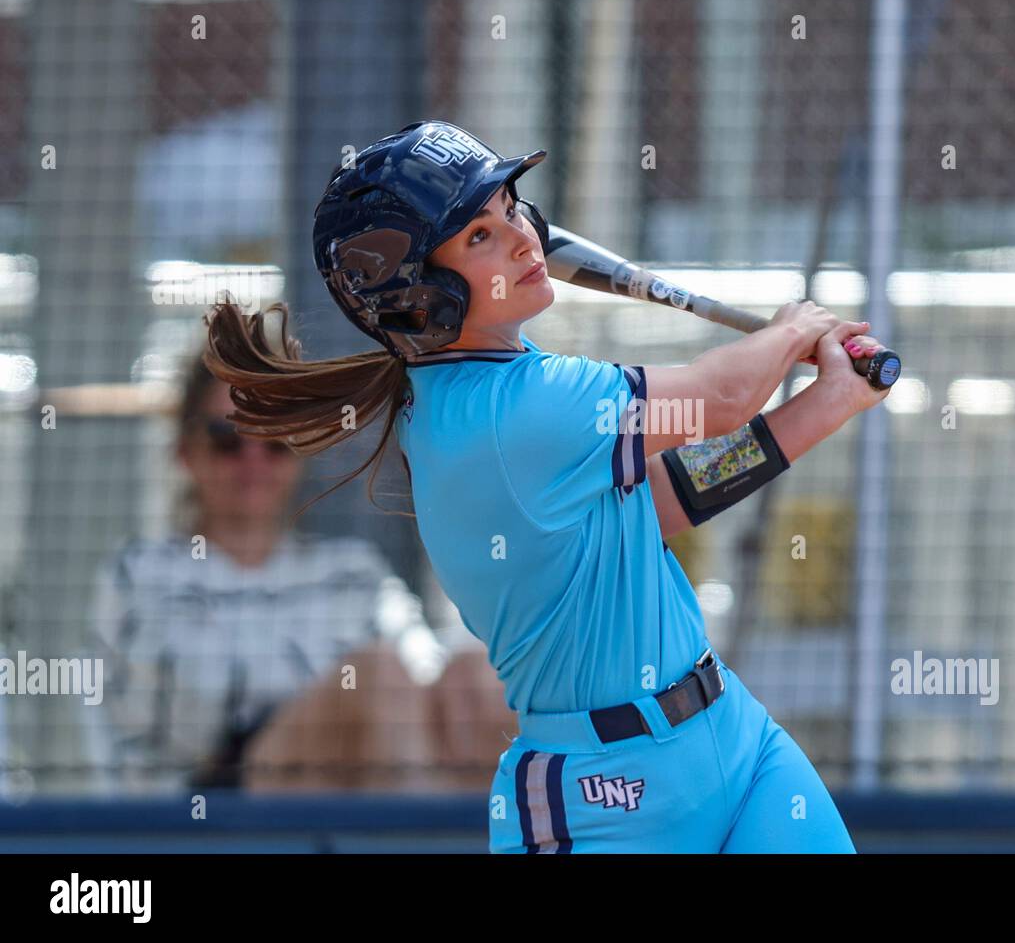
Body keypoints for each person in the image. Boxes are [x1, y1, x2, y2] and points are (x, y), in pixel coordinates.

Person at [202, 119, 890, 851]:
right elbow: (717, 401)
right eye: (479, 237)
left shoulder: (493, 386)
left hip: (735, 741)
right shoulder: (511, 414)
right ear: (417, 294)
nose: (526, 240)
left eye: (509, 212)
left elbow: (660, 502)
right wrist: (792, 330)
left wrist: (826, 403)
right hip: (609, 799)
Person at [85, 343, 515, 795]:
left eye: (275, 439)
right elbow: (174, 730)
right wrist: (336, 700)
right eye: (227, 439)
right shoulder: (143, 572)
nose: (253, 461)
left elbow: (425, 676)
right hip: (217, 798)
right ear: (186, 452)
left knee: (476, 679)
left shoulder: (352, 571)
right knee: (374, 680)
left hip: (365, 774)